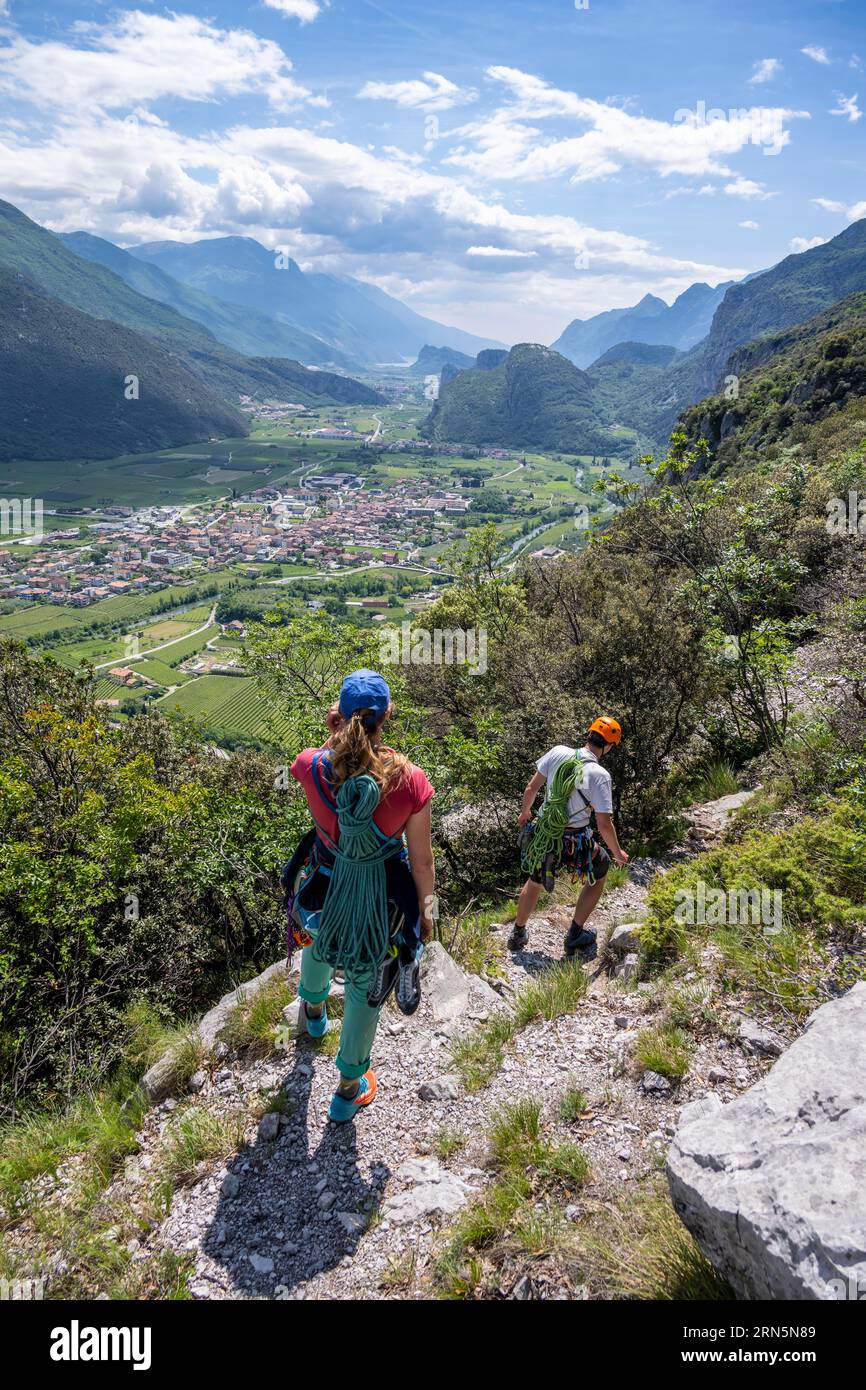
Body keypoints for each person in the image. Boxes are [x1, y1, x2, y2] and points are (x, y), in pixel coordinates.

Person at [289, 669, 435, 1123]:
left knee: (319, 941)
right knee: (363, 984)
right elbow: (423, 862)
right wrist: (427, 913)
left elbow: (331, 760)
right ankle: (348, 1088)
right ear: (387, 716)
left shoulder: (308, 766)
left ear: (338, 716)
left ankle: (313, 1010)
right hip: (377, 896)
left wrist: (334, 733)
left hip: (325, 884)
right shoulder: (410, 781)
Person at [507, 717, 628, 961]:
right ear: (609, 746)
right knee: (601, 867)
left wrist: (525, 813)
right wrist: (617, 853)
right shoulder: (599, 774)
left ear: (589, 734)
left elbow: (531, 789)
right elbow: (604, 824)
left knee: (535, 879)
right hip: (575, 839)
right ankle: (574, 933)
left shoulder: (558, 752)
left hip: (546, 831)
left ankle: (518, 933)